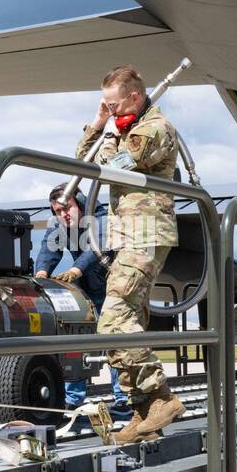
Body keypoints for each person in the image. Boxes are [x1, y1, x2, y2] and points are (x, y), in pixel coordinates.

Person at [76, 65, 184, 442]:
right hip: (128, 236)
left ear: (135, 98)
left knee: (114, 317)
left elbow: (111, 169)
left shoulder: (155, 129)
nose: (108, 109)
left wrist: (108, 135)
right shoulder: (123, 129)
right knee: (127, 322)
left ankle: (161, 397)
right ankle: (142, 412)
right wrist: (98, 124)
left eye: (112, 103)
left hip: (146, 234)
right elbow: (82, 161)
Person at [34, 182, 131, 418]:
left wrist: (76, 270)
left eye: (66, 208)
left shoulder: (102, 219)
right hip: (87, 290)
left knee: (115, 341)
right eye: (57, 211)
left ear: (80, 204)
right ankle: (73, 399)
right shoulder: (60, 225)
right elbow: (49, 250)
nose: (63, 215)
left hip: (114, 290)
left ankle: (124, 400)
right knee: (74, 341)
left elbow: (98, 248)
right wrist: (41, 275)